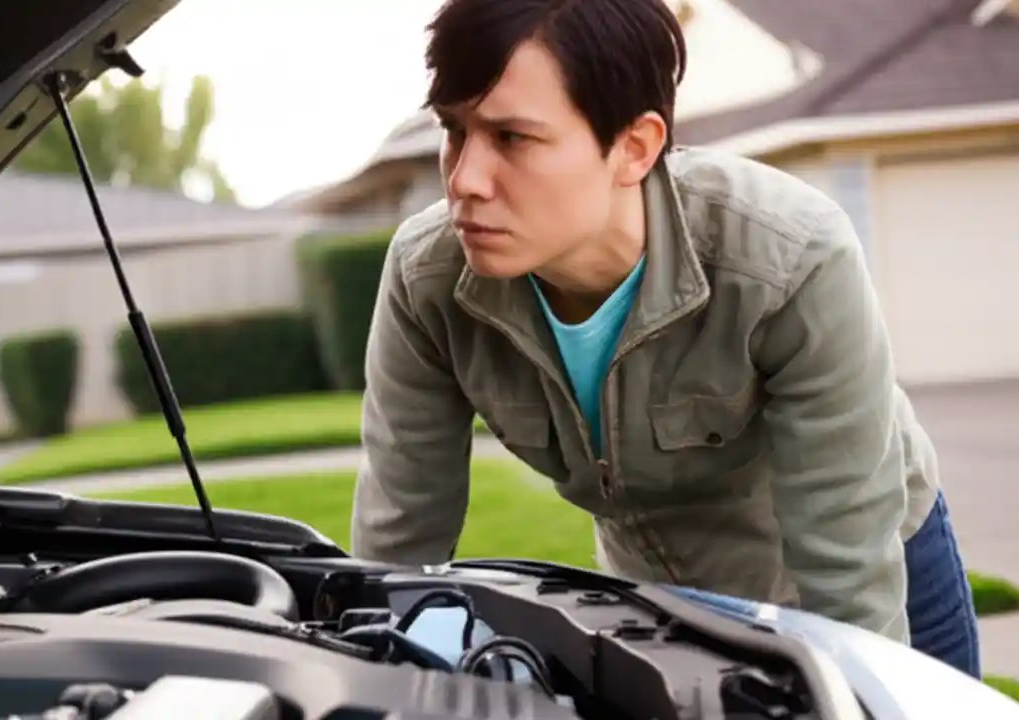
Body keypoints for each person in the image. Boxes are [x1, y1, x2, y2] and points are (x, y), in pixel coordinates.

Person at [349, 0, 981, 678]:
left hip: (875, 565)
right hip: (663, 597)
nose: (464, 180)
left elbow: (847, 580)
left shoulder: (790, 261)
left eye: (512, 138)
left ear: (635, 146)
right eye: (454, 130)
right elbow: (398, 548)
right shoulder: (427, 280)